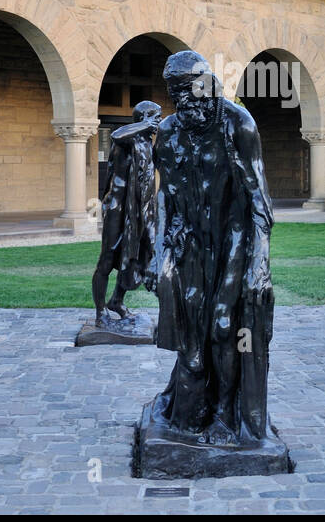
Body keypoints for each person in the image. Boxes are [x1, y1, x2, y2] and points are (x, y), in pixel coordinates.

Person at [150, 51, 275, 446]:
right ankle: (191, 405)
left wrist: (260, 263)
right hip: (189, 241)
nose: (186, 102)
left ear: (210, 86)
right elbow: (164, 200)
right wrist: (159, 257)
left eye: (192, 91)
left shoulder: (238, 124)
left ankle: (225, 416)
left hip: (233, 236)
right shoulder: (169, 134)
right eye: (176, 94)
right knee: (192, 333)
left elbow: (259, 202)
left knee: (225, 325)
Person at [91, 101, 161, 326]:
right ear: (145, 118)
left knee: (134, 256)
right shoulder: (125, 140)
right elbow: (117, 134)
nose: (158, 122)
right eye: (155, 117)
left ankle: (117, 301)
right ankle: (101, 311)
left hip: (139, 210)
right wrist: (144, 125)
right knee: (108, 258)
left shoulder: (148, 144)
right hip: (117, 207)